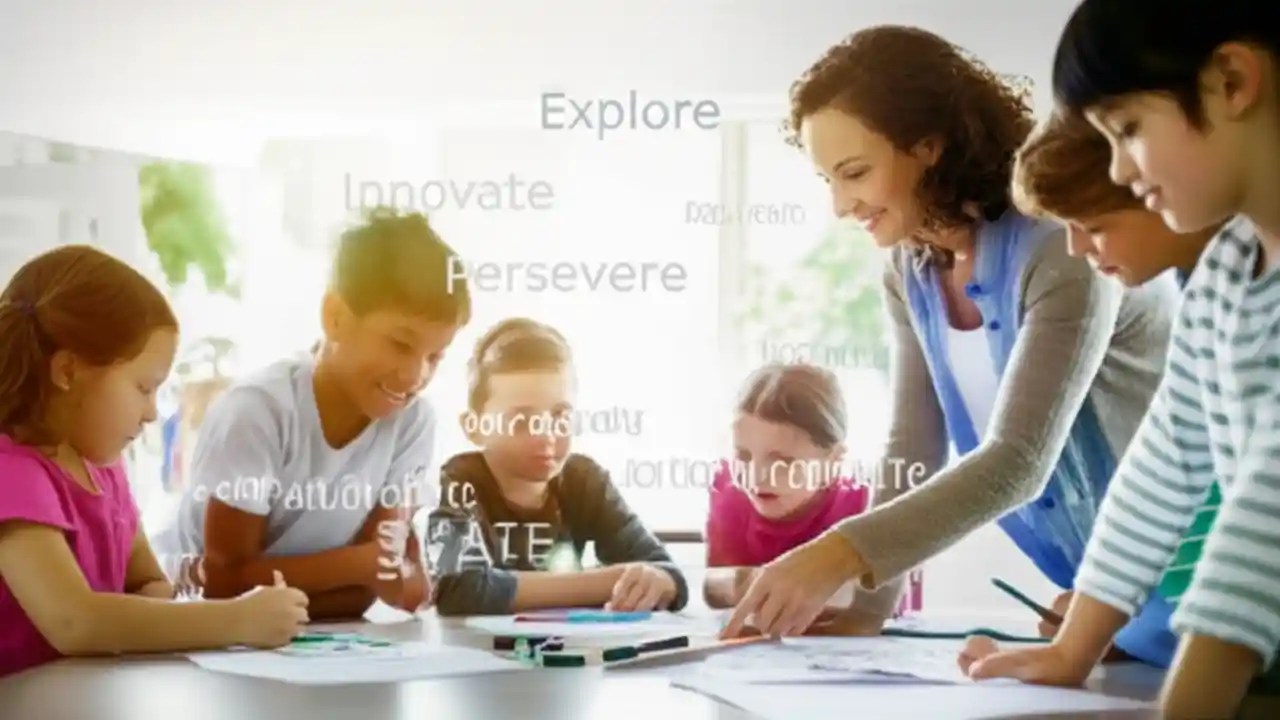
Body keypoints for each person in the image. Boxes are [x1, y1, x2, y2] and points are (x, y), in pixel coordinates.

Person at [720, 25, 1178, 650]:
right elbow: (914, 445)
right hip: (1111, 603)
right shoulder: (909, 272)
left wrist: (835, 554)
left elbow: (1019, 462)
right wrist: (870, 608)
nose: (840, 204)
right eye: (828, 179)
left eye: (854, 173)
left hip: (1197, 580)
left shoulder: (1064, 245)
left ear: (928, 147)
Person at [963, 3, 1280, 717]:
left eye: (1128, 130)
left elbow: (1265, 517)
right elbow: (1166, 462)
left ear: (1231, 81)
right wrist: (1073, 649)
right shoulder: (1230, 269)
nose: (1119, 168)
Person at [0, 246, 307, 677]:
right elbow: (75, 622)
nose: (150, 413)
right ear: (68, 372)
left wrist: (171, 603)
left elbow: (145, 582)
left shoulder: (104, 470)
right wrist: (237, 620)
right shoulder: (11, 472)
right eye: (144, 387)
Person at [160, 209, 470, 620]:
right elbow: (223, 584)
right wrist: (358, 566)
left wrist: (366, 572)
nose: (416, 375)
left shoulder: (413, 423)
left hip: (303, 635)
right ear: (335, 317)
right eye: (400, 344)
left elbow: (381, 587)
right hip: (191, 627)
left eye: (435, 356)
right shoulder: (258, 412)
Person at [997, 110, 1224, 664]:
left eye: (1093, 225)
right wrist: (1083, 639)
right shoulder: (1202, 295)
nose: (1076, 249)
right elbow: (1157, 473)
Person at [430, 317, 688, 615]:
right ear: (474, 427)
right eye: (521, 420)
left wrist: (658, 579)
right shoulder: (460, 481)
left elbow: (669, 574)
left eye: (560, 414)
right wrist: (614, 581)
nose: (546, 435)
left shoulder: (584, 480)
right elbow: (456, 588)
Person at [703, 363, 922, 626]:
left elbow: (891, 603)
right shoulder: (729, 491)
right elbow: (711, 588)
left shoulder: (867, 503)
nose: (755, 477)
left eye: (782, 462)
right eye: (743, 456)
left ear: (833, 462)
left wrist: (753, 584)